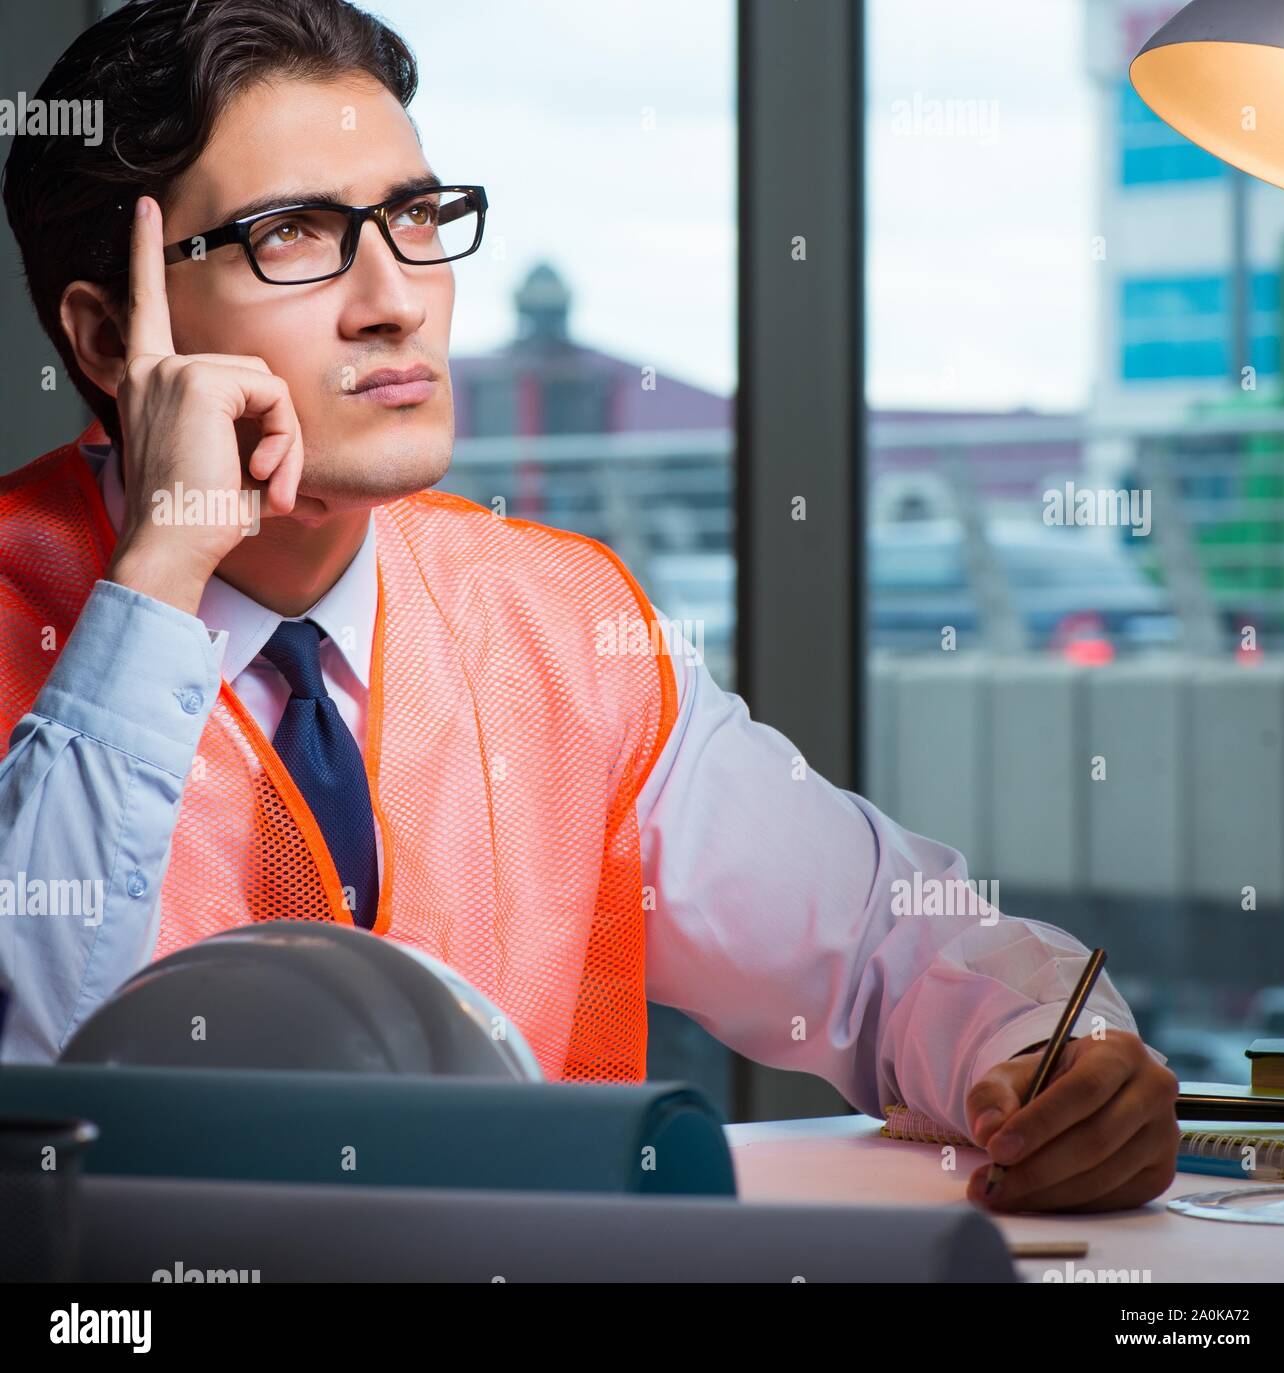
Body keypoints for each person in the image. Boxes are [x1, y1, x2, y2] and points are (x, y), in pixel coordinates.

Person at [0, 0, 1178, 1214]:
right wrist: (159, 578)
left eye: (412, 217)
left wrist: (1051, 1057)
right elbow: (27, 1101)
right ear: (105, 334)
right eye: (292, 234)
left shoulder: (556, 622)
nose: (394, 297)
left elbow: (884, 951)